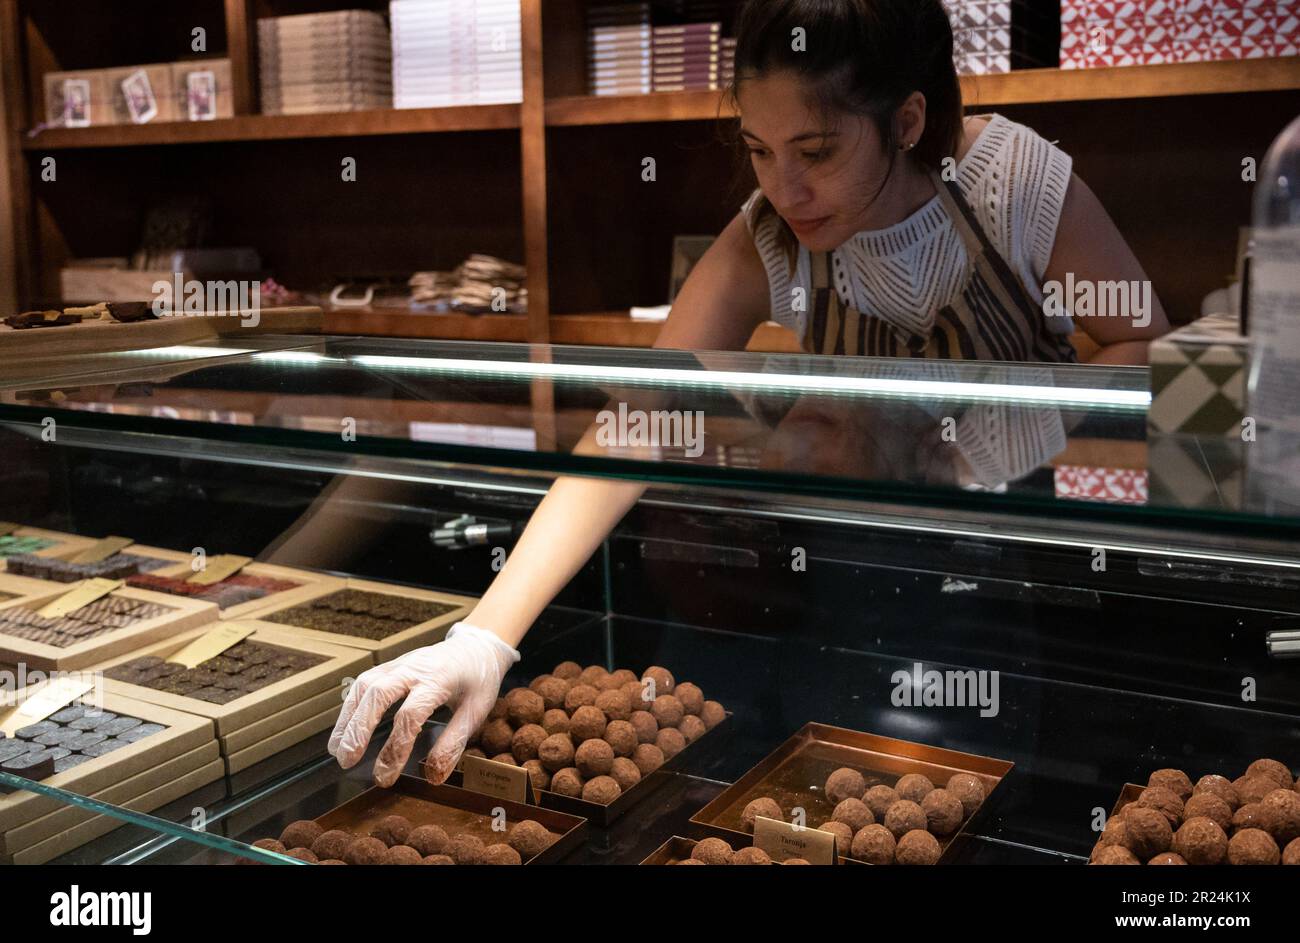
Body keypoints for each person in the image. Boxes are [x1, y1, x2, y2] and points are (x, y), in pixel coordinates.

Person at [329, 0, 1171, 786]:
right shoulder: (771, 232)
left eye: (816, 152)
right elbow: (639, 419)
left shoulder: (1014, 183)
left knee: (965, 804)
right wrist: (487, 633)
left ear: (907, 121)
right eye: (758, 149)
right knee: (815, 792)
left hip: (987, 572)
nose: (783, 188)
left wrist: (986, 440)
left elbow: (1143, 344)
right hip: (837, 570)